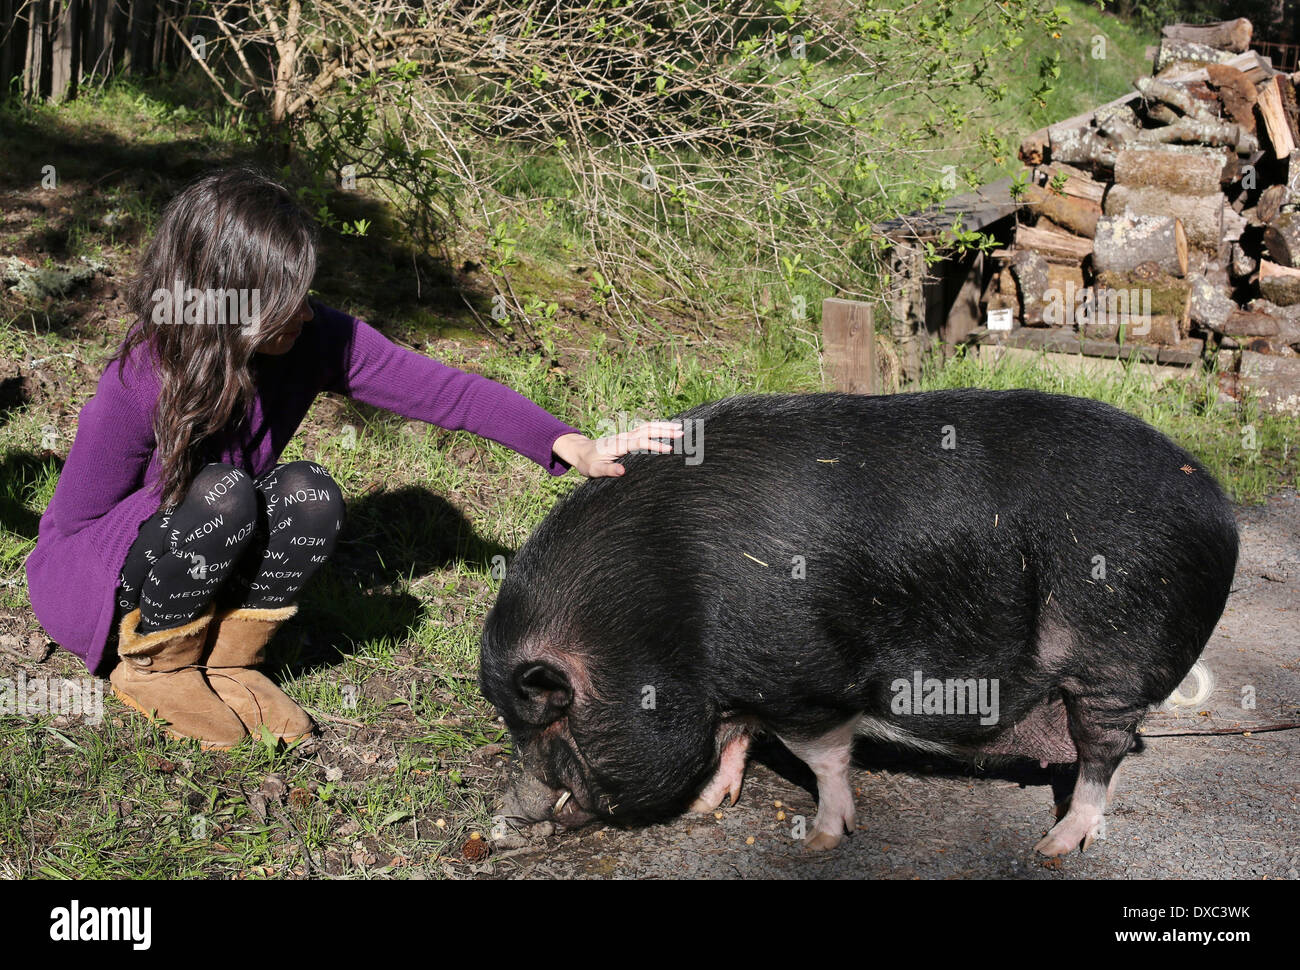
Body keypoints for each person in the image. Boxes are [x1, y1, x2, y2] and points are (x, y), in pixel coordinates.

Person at [24, 166, 680, 749]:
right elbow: (75, 524)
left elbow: (444, 390)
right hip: (101, 577)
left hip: (207, 537)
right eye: (284, 302)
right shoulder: (146, 371)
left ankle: (229, 662)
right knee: (224, 489)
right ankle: (158, 667)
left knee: (310, 490)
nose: (304, 315)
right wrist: (105, 612)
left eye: (303, 294)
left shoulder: (315, 338)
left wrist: (571, 443)